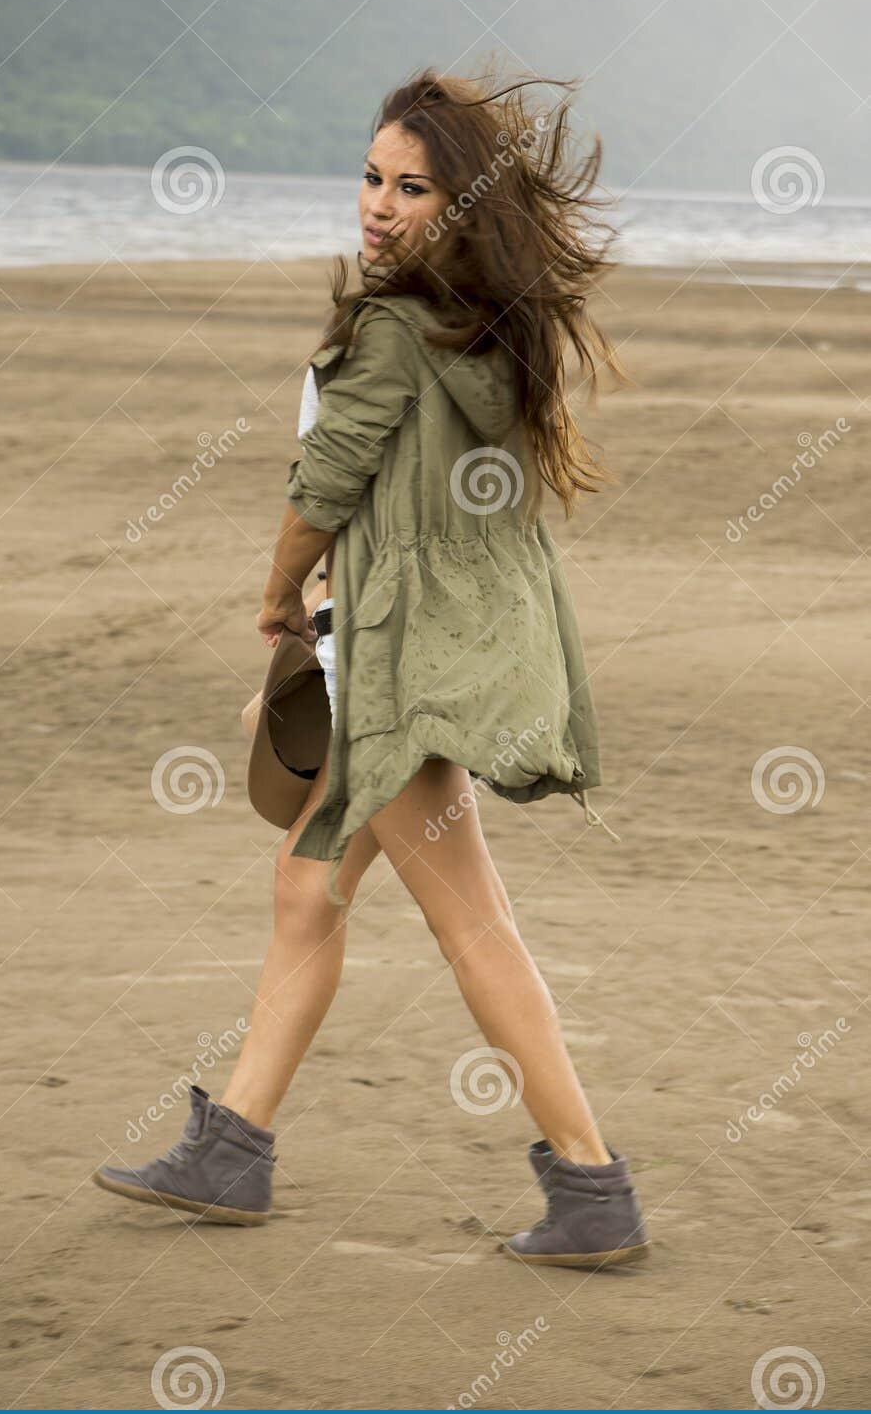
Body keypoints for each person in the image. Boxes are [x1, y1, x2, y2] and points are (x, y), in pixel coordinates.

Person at [94, 67, 650, 1270]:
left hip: (398, 667)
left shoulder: (401, 329)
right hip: (402, 645)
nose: (379, 206)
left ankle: (592, 1185)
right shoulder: (485, 330)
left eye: (413, 188)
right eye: (370, 177)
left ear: (462, 207)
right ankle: (232, 1147)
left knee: (473, 927)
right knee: (307, 888)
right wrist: (331, 635)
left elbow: (325, 486)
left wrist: (279, 598)